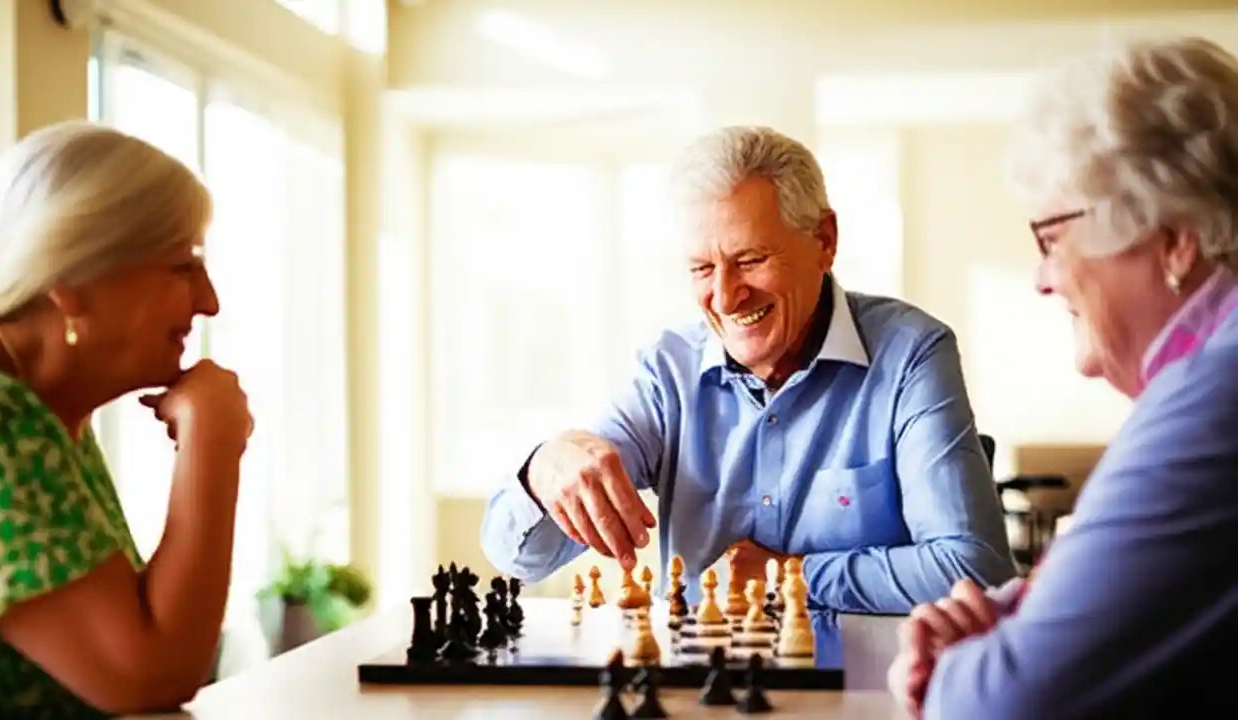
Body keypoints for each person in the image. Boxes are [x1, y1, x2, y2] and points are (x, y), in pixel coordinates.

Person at [479, 126, 1017, 657]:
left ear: (824, 241)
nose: (725, 296)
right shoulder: (669, 372)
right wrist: (543, 472)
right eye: (702, 268)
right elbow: (521, 557)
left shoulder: (910, 354)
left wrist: (793, 575)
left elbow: (975, 570)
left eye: (750, 260)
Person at [888, 36, 1238, 719]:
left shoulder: (1214, 397)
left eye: (1050, 237)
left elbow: (1001, 707)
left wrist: (961, 669)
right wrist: (1019, 618)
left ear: (1173, 238)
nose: (1042, 278)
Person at [0, 121, 253, 716]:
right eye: (181, 267)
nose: (208, 301)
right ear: (71, 279)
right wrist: (212, 442)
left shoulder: (46, 409)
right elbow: (148, 676)